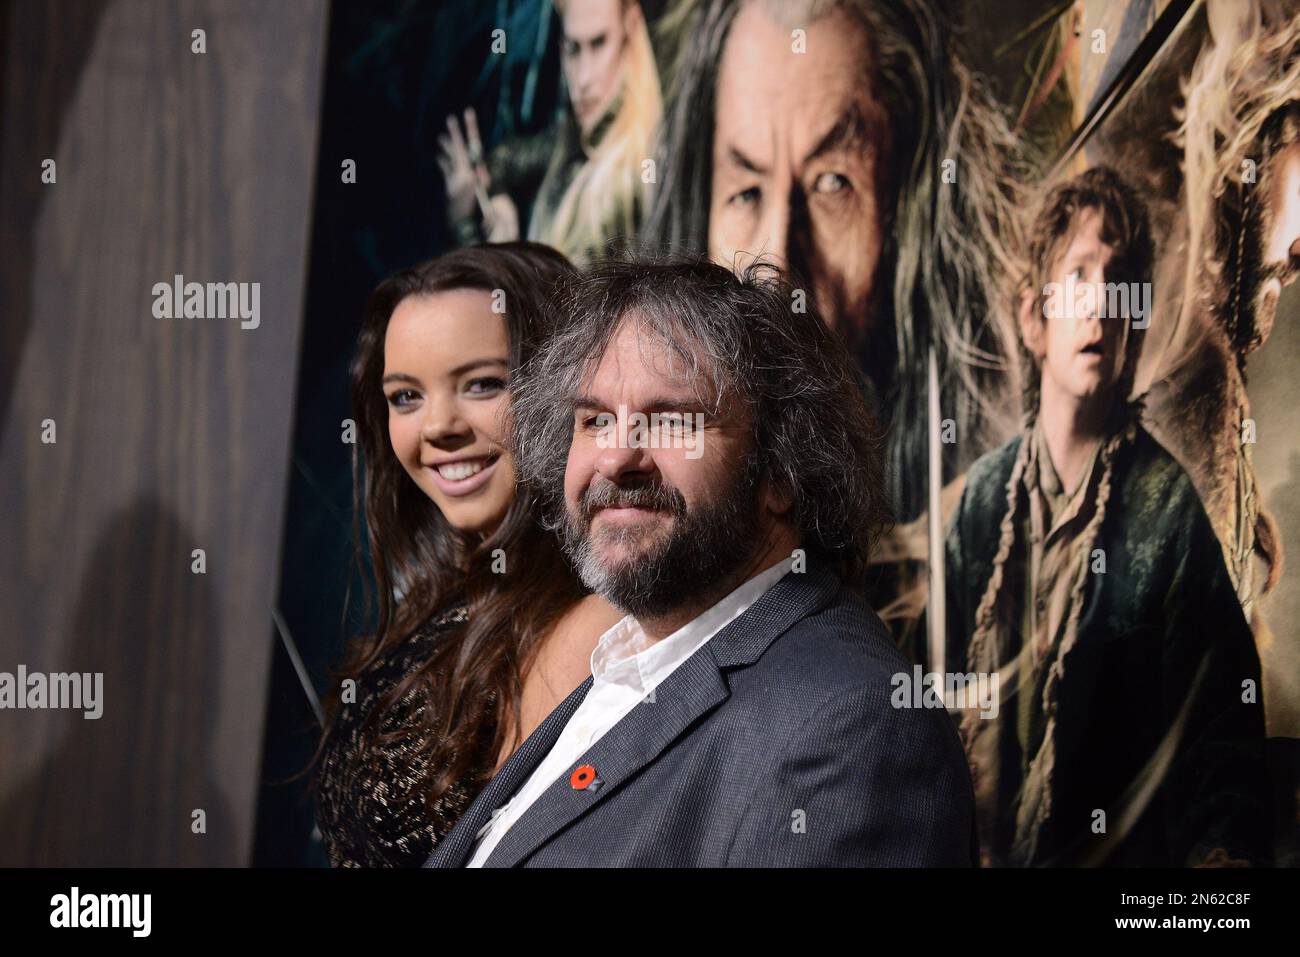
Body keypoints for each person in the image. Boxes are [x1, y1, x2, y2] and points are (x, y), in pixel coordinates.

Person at [423, 255, 976, 868]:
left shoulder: (857, 731)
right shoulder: (627, 661)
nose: (615, 458)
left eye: (671, 420)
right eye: (595, 420)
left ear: (782, 471)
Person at [933, 166, 1272, 866]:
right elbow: (932, 701)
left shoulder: (1166, 508)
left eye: (1118, 282)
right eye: (1079, 275)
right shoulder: (985, 500)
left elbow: (1222, 733)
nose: (1098, 304)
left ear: (1134, 324)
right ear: (1035, 317)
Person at [641, 0, 1027, 524]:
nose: (774, 263)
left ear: (908, 219)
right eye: (747, 192)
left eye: (832, 184)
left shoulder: (989, 496)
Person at [313, 243, 621, 867]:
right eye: (406, 397)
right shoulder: (447, 592)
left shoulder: (596, 622)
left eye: (481, 384)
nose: (438, 427)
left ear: (564, 389)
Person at [439, 0, 662, 265]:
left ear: (632, 31)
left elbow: (551, 305)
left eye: (599, 43)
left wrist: (474, 233)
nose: (583, 78)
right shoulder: (570, 143)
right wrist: (496, 199)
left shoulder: (651, 170)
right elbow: (503, 162)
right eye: (572, 49)